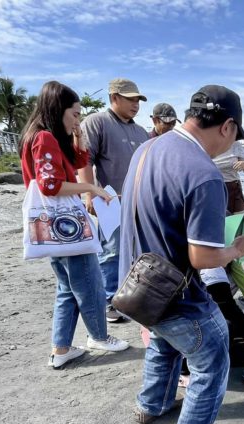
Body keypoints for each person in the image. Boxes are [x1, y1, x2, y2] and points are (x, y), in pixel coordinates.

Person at [119, 84, 244, 424]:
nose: (229, 146)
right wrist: (237, 249)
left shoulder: (148, 148)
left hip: (137, 286)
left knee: (163, 340)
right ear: (227, 126)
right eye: (234, 136)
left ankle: (152, 405)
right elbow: (203, 256)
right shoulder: (204, 174)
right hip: (175, 292)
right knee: (212, 358)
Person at [19, 81, 130, 369]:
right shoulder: (44, 137)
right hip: (65, 228)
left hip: (55, 228)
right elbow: (50, 184)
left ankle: (62, 348)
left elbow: (73, 163)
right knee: (89, 283)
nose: (78, 120)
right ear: (59, 110)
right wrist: (91, 189)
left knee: (67, 288)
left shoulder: (42, 136)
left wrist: (79, 140)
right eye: (75, 114)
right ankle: (100, 337)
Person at [78, 78, 149, 323]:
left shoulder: (141, 131)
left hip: (140, 202)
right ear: (114, 97)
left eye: (138, 99)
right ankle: (109, 301)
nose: (135, 104)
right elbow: (85, 160)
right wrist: (90, 193)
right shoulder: (97, 122)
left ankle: (134, 298)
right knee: (112, 252)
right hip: (110, 201)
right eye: (130, 99)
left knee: (140, 251)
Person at [213, 140, 244, 277]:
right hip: (214, 187)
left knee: (243, 227)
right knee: (220, 227)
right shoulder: (210, 142)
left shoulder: (236, 144)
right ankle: (222, 263)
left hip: (234, 188)